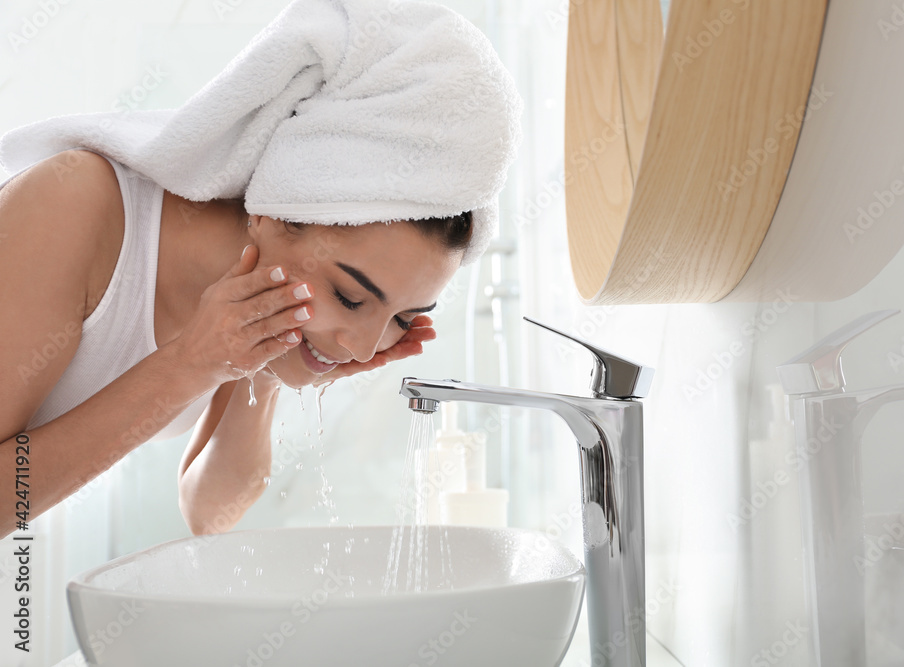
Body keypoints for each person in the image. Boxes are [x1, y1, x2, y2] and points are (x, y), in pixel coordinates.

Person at [0, 0, 521, 538]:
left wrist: (268, 363)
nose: (367, 348)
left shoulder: (247, 297)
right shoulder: (73, 206)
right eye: (349, 296)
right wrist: (188, 366)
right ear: (271, 213)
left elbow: (209, 510)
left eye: (404, 318)